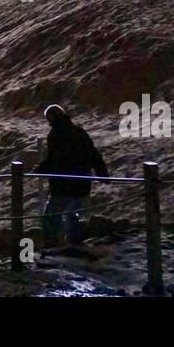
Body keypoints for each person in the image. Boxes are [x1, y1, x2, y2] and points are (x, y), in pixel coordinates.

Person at [33, 105, 108, 248]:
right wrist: (102, 173)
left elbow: (56, 159)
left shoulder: (55, 134)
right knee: (72, 215)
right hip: (82, 182)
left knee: (51, 215)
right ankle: (73, 243)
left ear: (51, 118)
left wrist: (40, 169)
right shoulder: (79, 132)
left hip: (63, 184)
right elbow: (93, 154)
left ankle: (52, 245)